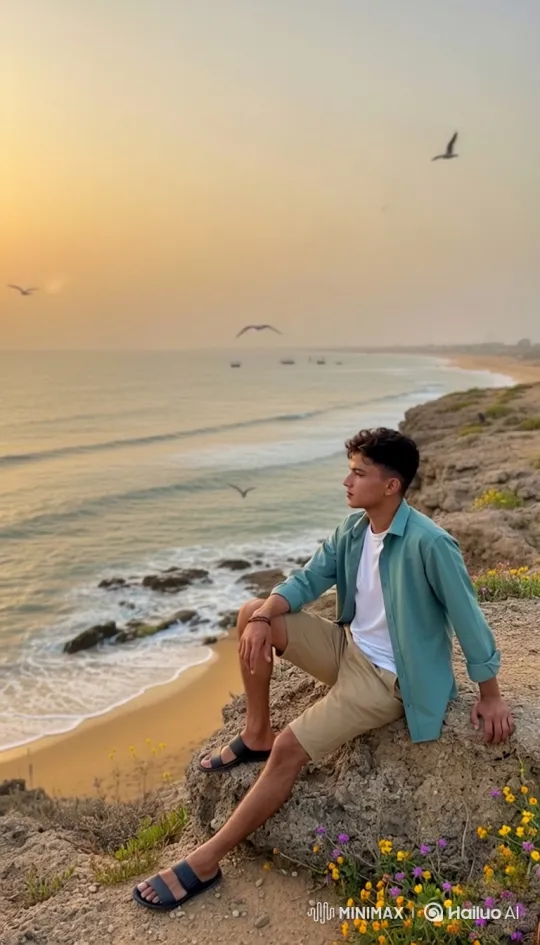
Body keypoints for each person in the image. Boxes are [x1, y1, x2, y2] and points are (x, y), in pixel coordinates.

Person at [133, 427, 514, 912]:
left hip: (390, 681)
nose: (346, 482)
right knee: (253, 611)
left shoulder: (430, 544)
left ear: (392, 485)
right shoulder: (354, 532)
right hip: (347, 650)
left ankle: (206, 860)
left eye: (358, 473)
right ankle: (255, 733)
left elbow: (469, 620)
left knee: (291, 749)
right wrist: (266, 617)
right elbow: (307, 578)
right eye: (349, 470)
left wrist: (491, 694)